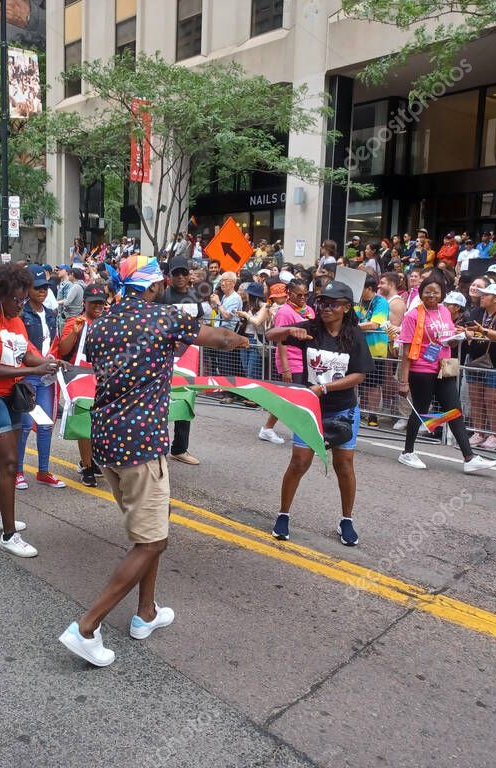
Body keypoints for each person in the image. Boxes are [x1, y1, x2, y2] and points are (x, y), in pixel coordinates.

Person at [57, 256, 249, 667]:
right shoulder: (163, 318)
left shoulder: (102, 323)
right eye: (161, 281)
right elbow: (215, 338)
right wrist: (240, 340)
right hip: (141, 445)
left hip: (106, 441)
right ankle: (86, 627)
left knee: (148, 532)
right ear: (154, 286)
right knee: (153, 540)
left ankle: (146, 612)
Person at [0, 264, 67, 558]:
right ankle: (9, 536)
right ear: (0, 295)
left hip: (11, 396)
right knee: (9, 462)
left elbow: (28, 352)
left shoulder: (17, 321)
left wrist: (49, 362)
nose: (21, 304)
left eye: (23, 299)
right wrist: (31, 368)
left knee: (4, 460)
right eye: (16, 299)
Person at [265, 281, 373, 546]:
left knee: (344, 466)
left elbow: (359, 374)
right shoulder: (311, 328)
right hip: (310, 409)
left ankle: (346, 520)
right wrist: (291, 329)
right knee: (299, 462)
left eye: (333, 303)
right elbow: (271, 336)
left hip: (343, 410)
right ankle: (283, 514)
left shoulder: (355, 335)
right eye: (322, 302)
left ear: (346, 308)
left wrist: (324, 387)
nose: (325, 307)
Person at [396, 277, 496, 473]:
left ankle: (469, 458)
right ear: (420, 293)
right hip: (422, 369)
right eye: (428, 291)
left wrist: (455, 339)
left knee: (454, 411)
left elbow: (446, 338)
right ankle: (407, 452)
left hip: (444, 367)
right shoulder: (412, 316)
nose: (432, 295)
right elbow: (406, 351)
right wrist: (403, 381)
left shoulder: (444, 311)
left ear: (442, 294)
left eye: (436, 292)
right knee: (420, 410)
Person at [15, 265, 66, 490]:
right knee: (25, 425)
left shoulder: (51, 313)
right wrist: (42, 363)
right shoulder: (20, 314)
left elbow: (54, 342)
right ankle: (17, 471)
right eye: (37, 288)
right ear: (27, 290)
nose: (42, 291)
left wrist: (55, 360)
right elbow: (21, 348)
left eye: (44, 287)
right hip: (28, 375)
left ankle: (43, 471)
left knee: (45, 425)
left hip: (47, 376)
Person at [56, 283, 109, 486]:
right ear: (84, 303)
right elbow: (63, 349)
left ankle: (90, 459)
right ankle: (86, 466)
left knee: (98, 422)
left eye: (101, 303)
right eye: (93, 303)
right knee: (85, 420)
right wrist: (75, 332)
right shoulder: (75, 322)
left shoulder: (107, 321)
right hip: (80, 377)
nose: (98, 306)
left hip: (103, 377)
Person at [158, 256, 205, 465]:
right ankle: (158, 448)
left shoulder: (196, 296)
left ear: (189, 275)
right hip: (165, 355)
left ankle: (180, 448)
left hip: (188, 357)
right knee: (161, 401)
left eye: (183, 273)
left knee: (186, 399)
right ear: (169, 276)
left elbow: (200, 322)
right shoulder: (162, 296)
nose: (179, 277)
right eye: (175, 273)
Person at [462, 283, 496, 451]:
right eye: (482, 294)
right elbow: (467, 328)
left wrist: (481, 331)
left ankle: (495, 436)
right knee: (476, 398)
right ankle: (479, 432)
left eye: (486, 295)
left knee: (494, 400)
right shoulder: (478, 311)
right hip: (476, 359)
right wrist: (469, 331)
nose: (482, 297)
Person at [259, 279, 312, 444]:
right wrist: (286, 368)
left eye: (306, 295)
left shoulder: (309, 309)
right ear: (290, 294)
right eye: (299, 295)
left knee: (298, 398)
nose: (303, 298)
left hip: (307, 360)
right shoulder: (284, 312)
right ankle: (268, 429)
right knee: (290, 398)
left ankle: (268, 429)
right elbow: (280, 340)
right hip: (291, 359)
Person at [355, 276, 390, 427]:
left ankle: (373, 414)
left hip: (376, 348)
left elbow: (375, 324)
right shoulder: (357, 301)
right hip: (357, 347)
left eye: (361, 287)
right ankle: (359, 411)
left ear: (369, 289)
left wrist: (353, 327)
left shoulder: (381, 302)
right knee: (358, 380)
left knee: (373, 384)